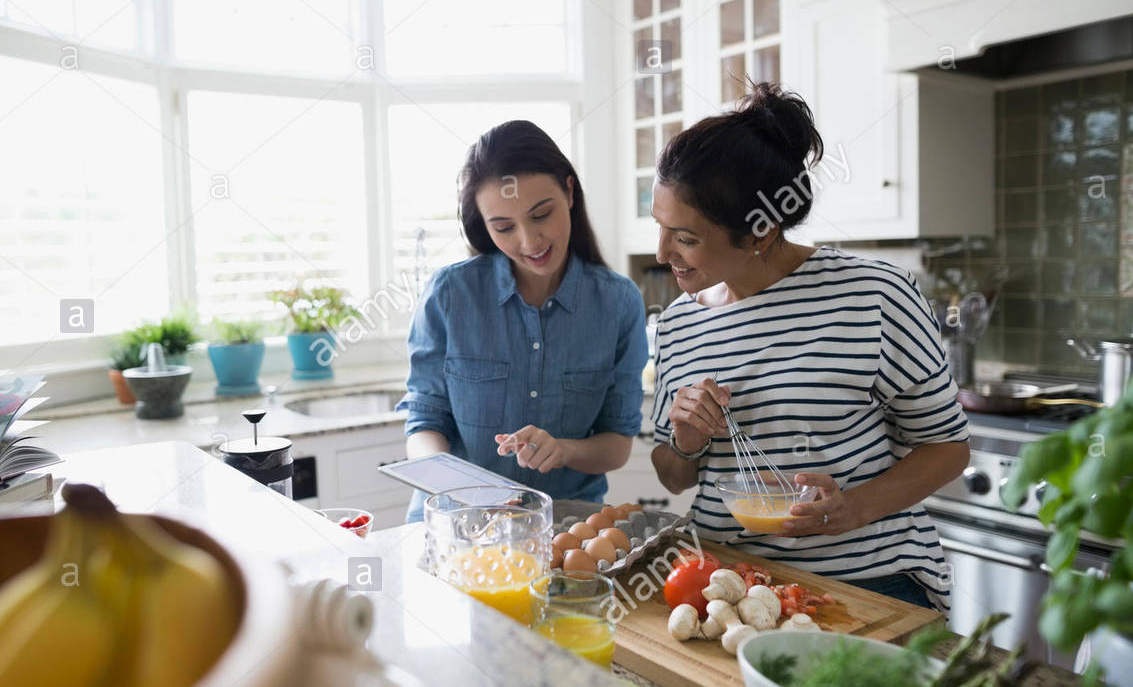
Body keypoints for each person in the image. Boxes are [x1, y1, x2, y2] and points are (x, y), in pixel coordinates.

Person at [649, 83, 970, 611]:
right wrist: (685, 440)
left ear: (759, 230)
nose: (663, 253)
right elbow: (674, 475)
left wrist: (854, 507)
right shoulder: (680, 323)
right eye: (661, 228)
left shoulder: (873, 294)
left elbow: (948, 447)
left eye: (685, 238)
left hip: (865, 587)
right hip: (731, 586)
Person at [399, 120, 648, 522]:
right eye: (504, 227)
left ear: (569, 191)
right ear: (483, 224)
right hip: (456, 524)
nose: (530, 242)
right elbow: (424, 422)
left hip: (567, 528)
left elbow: (616, 445)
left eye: (541, 214)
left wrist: (564, 449)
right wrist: (457, 486)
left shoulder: (618, 303)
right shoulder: (449, 294)